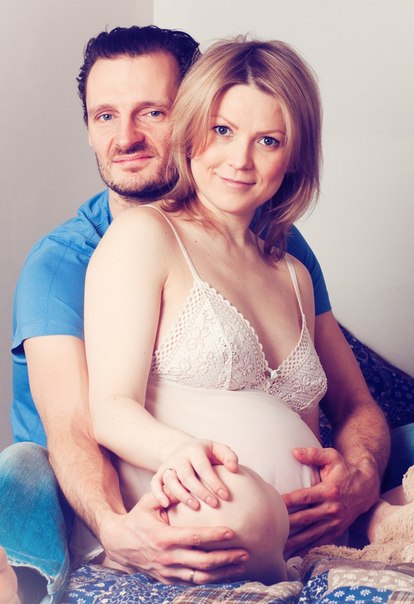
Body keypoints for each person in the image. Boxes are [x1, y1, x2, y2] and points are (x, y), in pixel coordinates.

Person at [0, 23, 397, 603]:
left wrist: (357, 476)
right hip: (140, 496)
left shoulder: (288, 257)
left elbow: (346, 401)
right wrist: (115, 528)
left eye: (151, 112)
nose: (126, 137)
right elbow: (81, 425)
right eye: (105, 115)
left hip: (297, 521)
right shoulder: (72, 259)